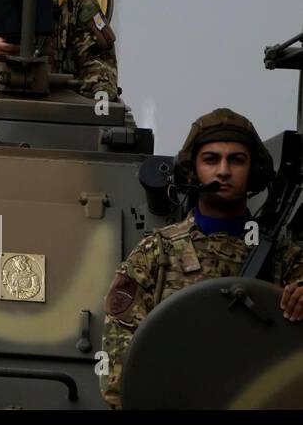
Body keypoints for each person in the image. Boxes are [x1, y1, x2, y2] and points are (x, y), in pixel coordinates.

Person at [99, 108, 303, 408]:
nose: (223, 170)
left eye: (236, 160)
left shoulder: (284, 256)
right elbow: (118, 353)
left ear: (254, 171)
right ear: (193, 171)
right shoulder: (157, 252)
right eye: (211, 159)